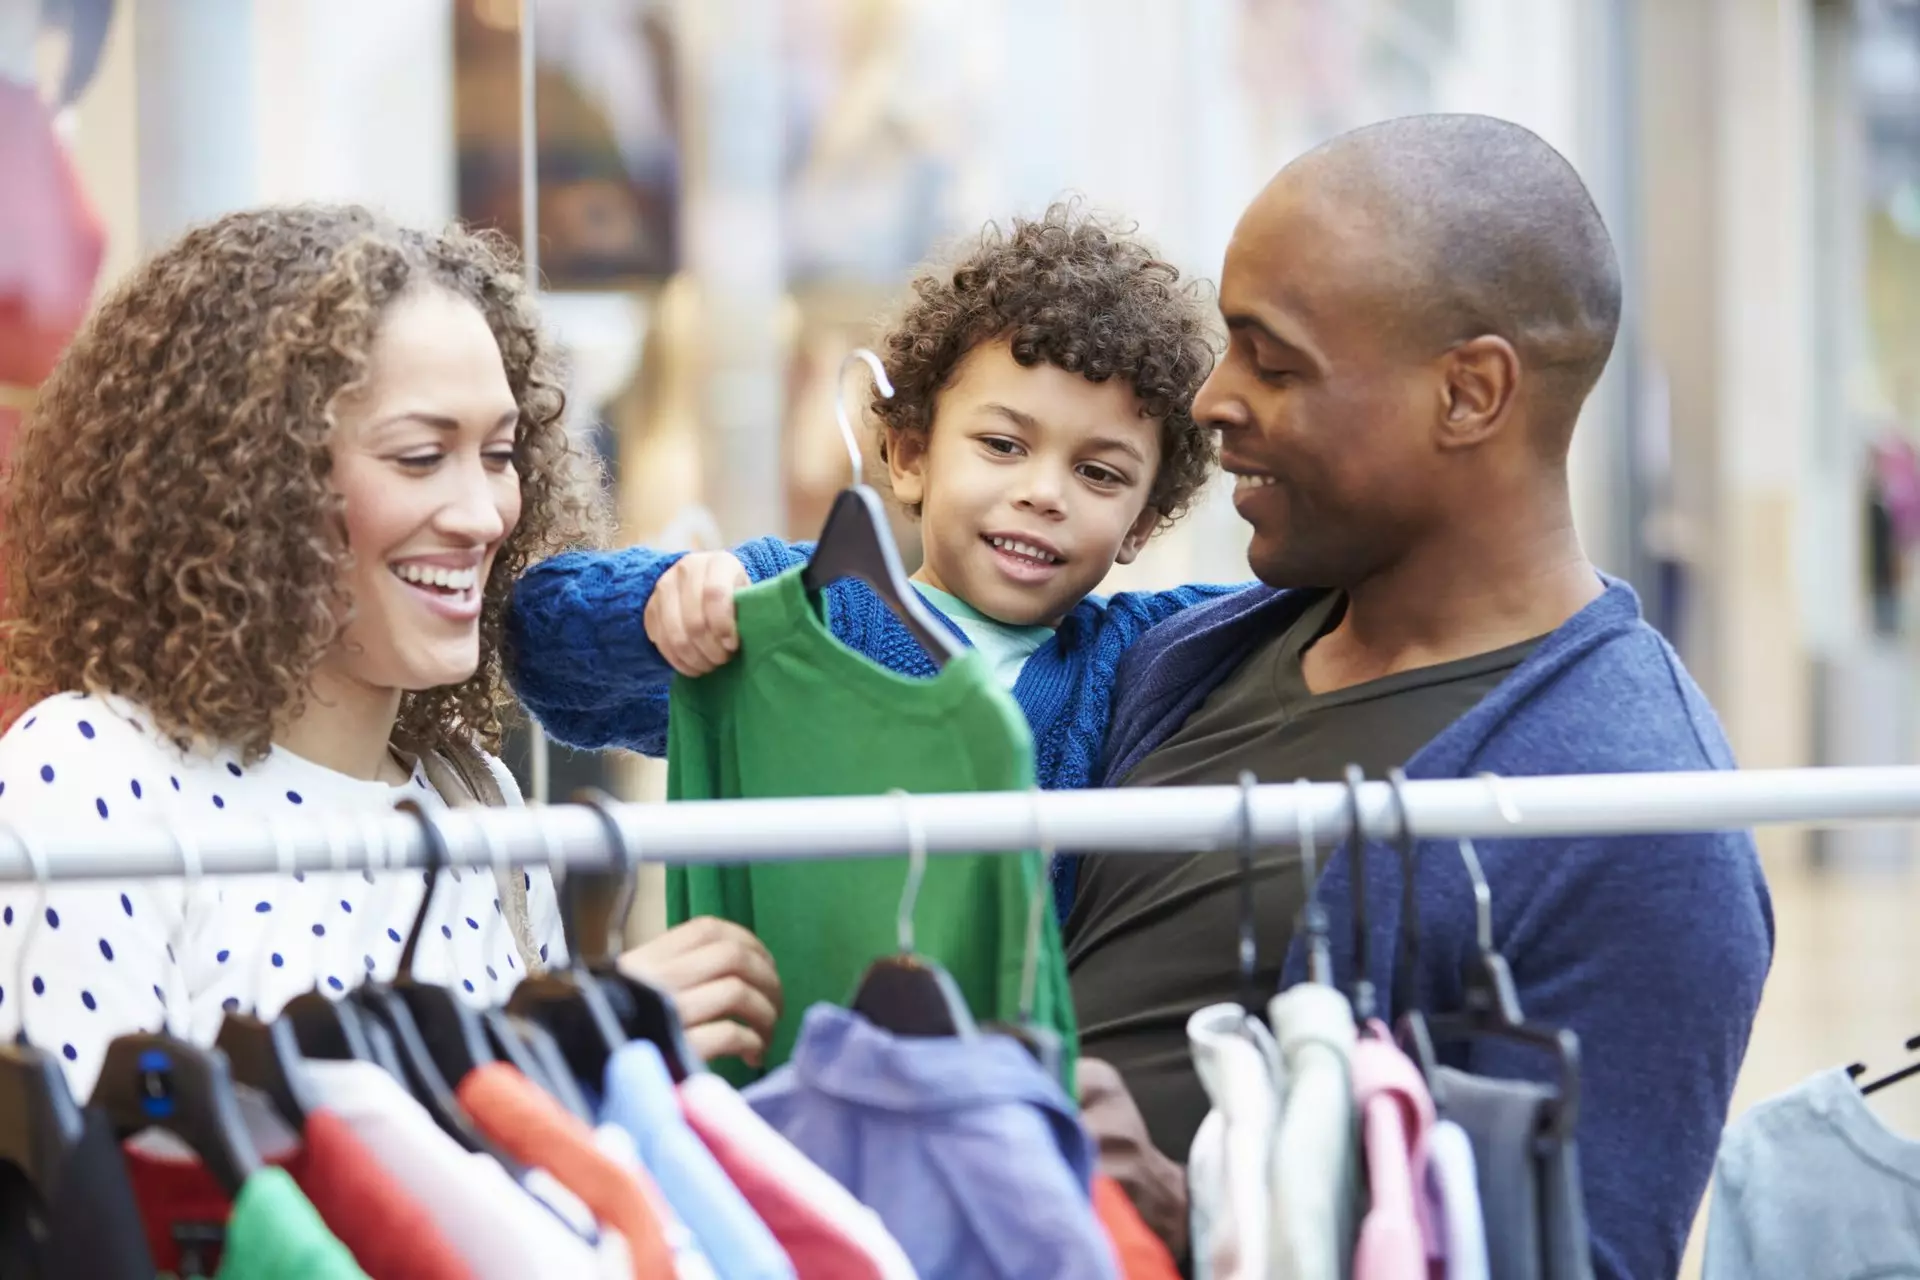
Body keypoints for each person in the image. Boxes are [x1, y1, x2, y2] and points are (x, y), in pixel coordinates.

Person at [1064, 115, 1774, 1280]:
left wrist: (1191, 1212)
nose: (1210, 400)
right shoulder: (1181, 656)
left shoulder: (1639, 816)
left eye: (1274, 362)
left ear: (1469, 392)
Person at [0, 204, 769, 1093]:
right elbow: (104, 1191)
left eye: (499, 453)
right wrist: (563, 1039)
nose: (483, 514)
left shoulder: (476, 798)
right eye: (418, 457)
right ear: (250, 481)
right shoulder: (89, 777)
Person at [507, 204, 1241, 929]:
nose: (1044, 494)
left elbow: (1311, 597)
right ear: (911, 454)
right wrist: (663, 603)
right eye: (1003, 446)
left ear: (1140, 523)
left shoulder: (1135, 656)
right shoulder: (804, 608)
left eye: (1099, 474)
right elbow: (542, 636)